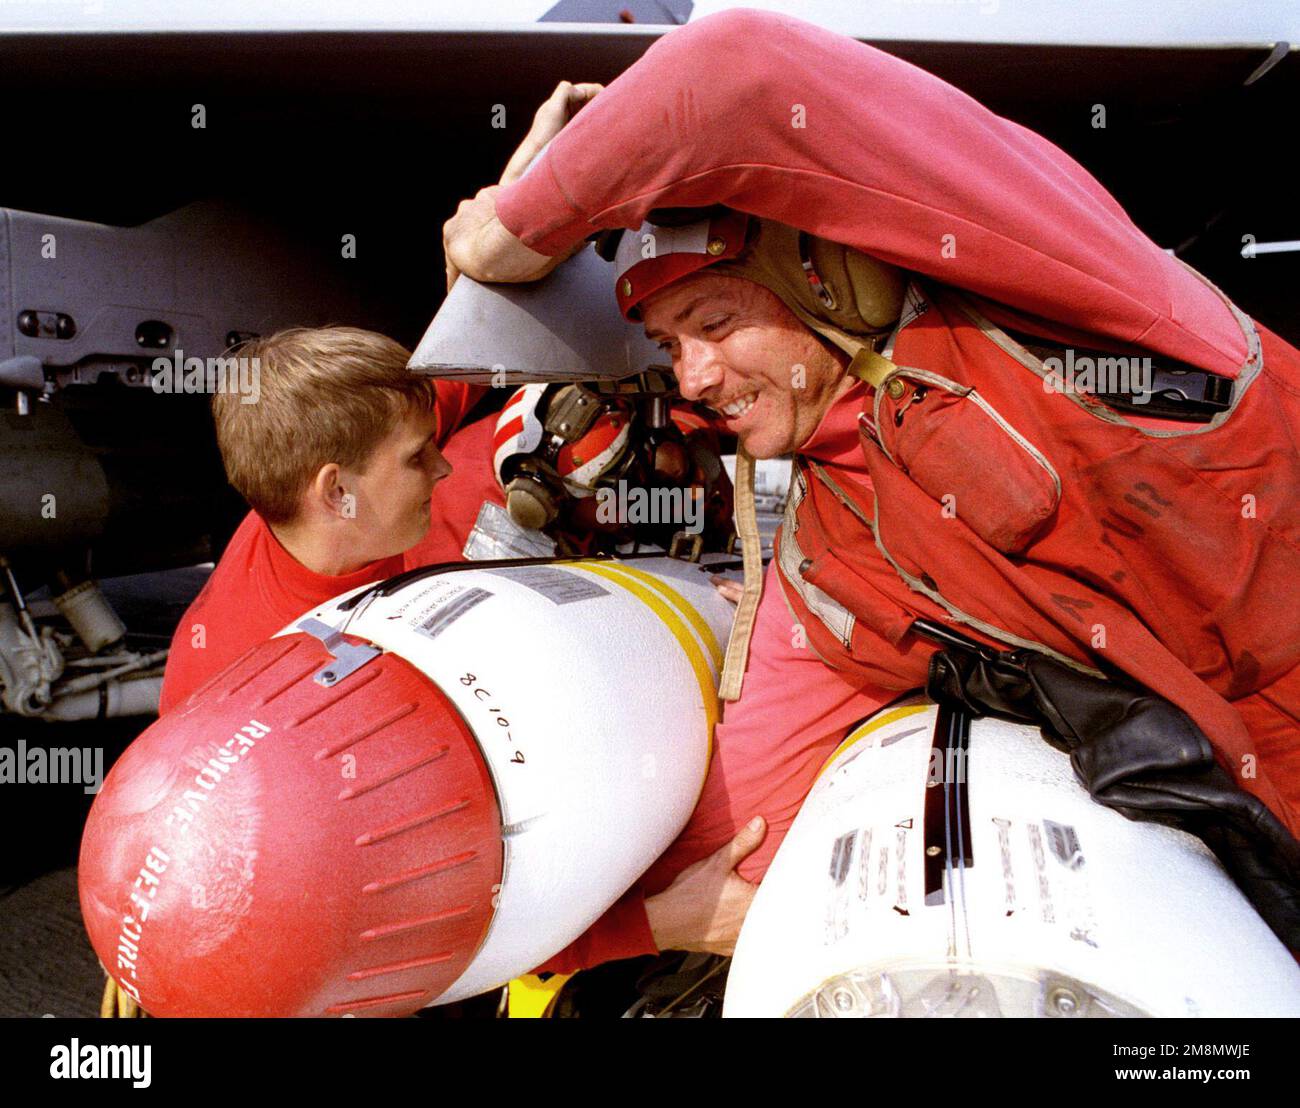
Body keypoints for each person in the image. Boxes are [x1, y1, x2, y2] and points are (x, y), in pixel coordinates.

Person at [444, 8, 1300, 972]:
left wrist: (509, 234)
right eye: (669, 347)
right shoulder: (834, 567)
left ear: (832, 281)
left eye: (715, 322)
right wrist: (650, 930)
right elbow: (726, 840)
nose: (689, 380)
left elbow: (737, 66)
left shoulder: (1066, 297)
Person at [158, 326, 483, 713]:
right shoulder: (226, 689)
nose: (442, 466)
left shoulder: (308, 488)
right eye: (416, 458)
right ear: (336, 492)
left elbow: (469, 351)